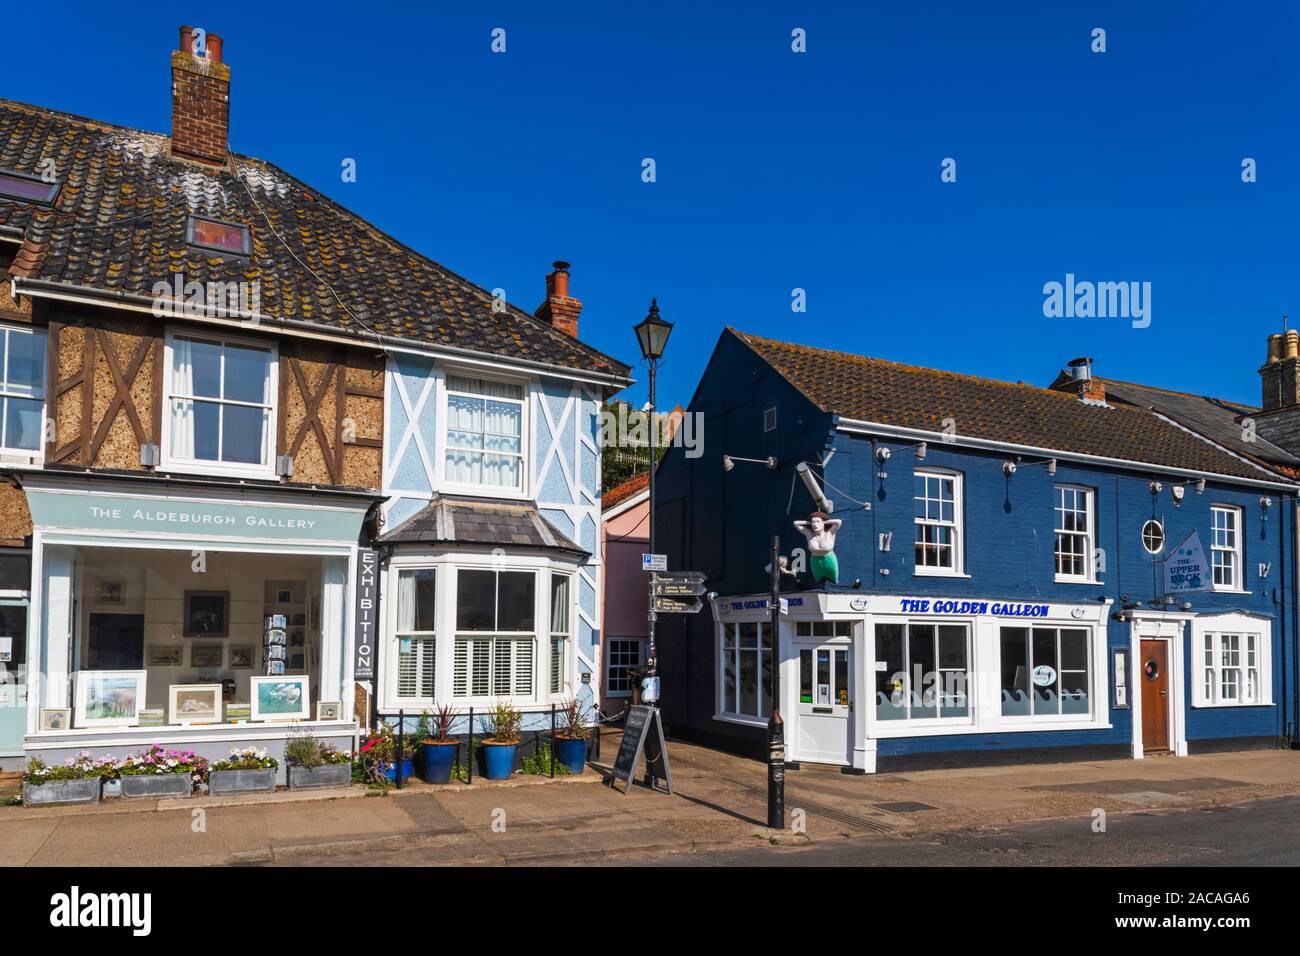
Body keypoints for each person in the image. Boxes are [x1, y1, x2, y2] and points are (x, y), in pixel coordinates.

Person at [793, 511, 843, 584]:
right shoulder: (809, 534)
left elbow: (838, 522)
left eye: (817, 522)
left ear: (823, 523)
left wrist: (824, 522)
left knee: (834, 579)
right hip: (815, 560)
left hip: (829, 559)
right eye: (813, 523)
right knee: (818, 580)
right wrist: (809, 522)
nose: (815, 525)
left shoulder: (830, 533)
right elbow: (795, 523)